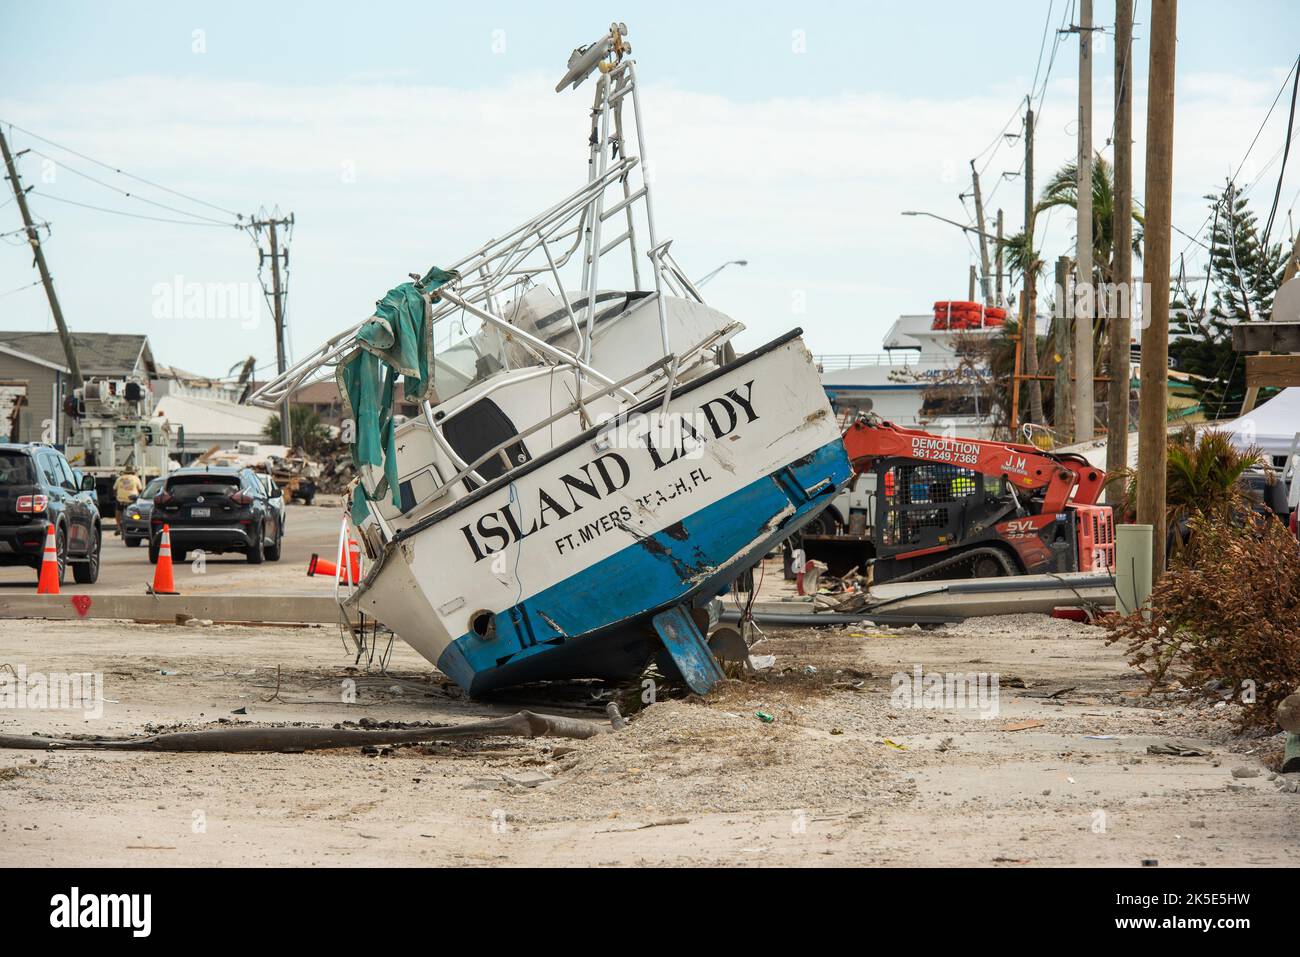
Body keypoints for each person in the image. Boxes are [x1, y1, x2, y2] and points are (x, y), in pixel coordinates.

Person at [112, 466, 143, 537]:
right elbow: (140, 489)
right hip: (132, 499)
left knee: (118, 512)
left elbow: (114, 489)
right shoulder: (136, 478)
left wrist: (116, 496)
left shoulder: (119, 478)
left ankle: (118, 527)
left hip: (121, 499)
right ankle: (134, 525)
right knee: (135, 513)